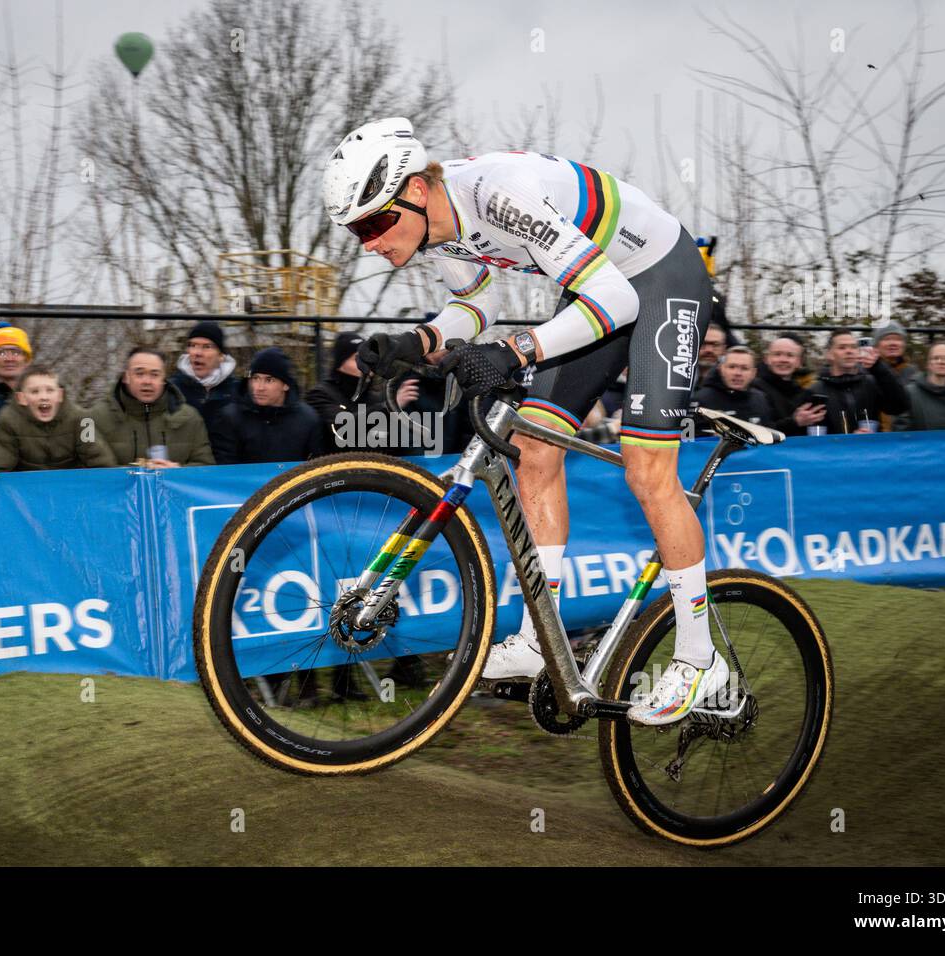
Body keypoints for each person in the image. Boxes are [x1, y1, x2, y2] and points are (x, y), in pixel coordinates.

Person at [324, 117, 724, 725]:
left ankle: (701, 661)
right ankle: (545, 640)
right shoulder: (440, 231)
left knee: (647, 470)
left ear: (417, 190)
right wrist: (418, 340)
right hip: (603, 284)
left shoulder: (495, 194)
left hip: (664, 274)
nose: (370, 242)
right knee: (534, 450)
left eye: (376, 222)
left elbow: (615, 302)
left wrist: (516, 352)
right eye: (358, 230)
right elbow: (474, 305)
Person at [87, 347, 214, 467]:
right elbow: (87, 471)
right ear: (126, 377)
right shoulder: (95, 419)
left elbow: (206, 469)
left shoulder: (190, 419)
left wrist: (177, 472)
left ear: (163, 379)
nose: (147, 381)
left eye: (154, 375)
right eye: (139, 373)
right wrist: (134, 474)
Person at [305, 331, 423, 455]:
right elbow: (342, 431)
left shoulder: (378, 399)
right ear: (340, 364)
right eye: (356, 359)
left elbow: (397, 446)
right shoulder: (319, 395)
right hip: (336, 472)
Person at [0, 367, 117, 472]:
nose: (43, 397)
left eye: (50, 390)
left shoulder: (83, 420)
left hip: (71, 492)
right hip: (28, 495)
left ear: (60, 395)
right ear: (22, 398)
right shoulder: (8, 421)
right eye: (35, 392)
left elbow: (102, 463)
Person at [211, 348, 324, 464]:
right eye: (255, 378)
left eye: (269, 380)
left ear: (285, 385)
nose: (259, 387)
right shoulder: (231, 418)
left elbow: (316, 469)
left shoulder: (307, 420)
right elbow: (225, 470)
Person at [812, 330, 909, 433]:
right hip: (836, 448)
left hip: (871, 447)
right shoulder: (816, 389)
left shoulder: (871, 382)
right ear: (829, 354)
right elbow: (815, 433)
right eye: (842, 347)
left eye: (853, 347)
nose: (849, 351)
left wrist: (878, 367)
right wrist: (850, 440)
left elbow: (899, 407)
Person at [171, 320, 241, 433]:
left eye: (206, 346)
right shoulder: (172, 389)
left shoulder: (238, 391)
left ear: (221, 356)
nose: (197, 353)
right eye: (193, 345)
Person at [752, 334, 825, 436]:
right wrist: (795, 422)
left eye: (790, 355)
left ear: (799, 362)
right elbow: (758, 432)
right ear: (767, 359)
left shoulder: (805, 393)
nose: (783, 359)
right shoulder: (754, 390)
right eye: (777, 354)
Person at [895, 341, 945, 431]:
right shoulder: (909, 393)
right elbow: (901, 432)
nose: (941, 362)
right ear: (928, 364)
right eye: (936, 358)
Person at [692, 346, 774, 427]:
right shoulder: (701, 400)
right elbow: (687, 436)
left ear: (753, 373)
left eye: (744, 368)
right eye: (732, 367)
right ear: (721, 369)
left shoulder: (761, 399)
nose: (737, 373)